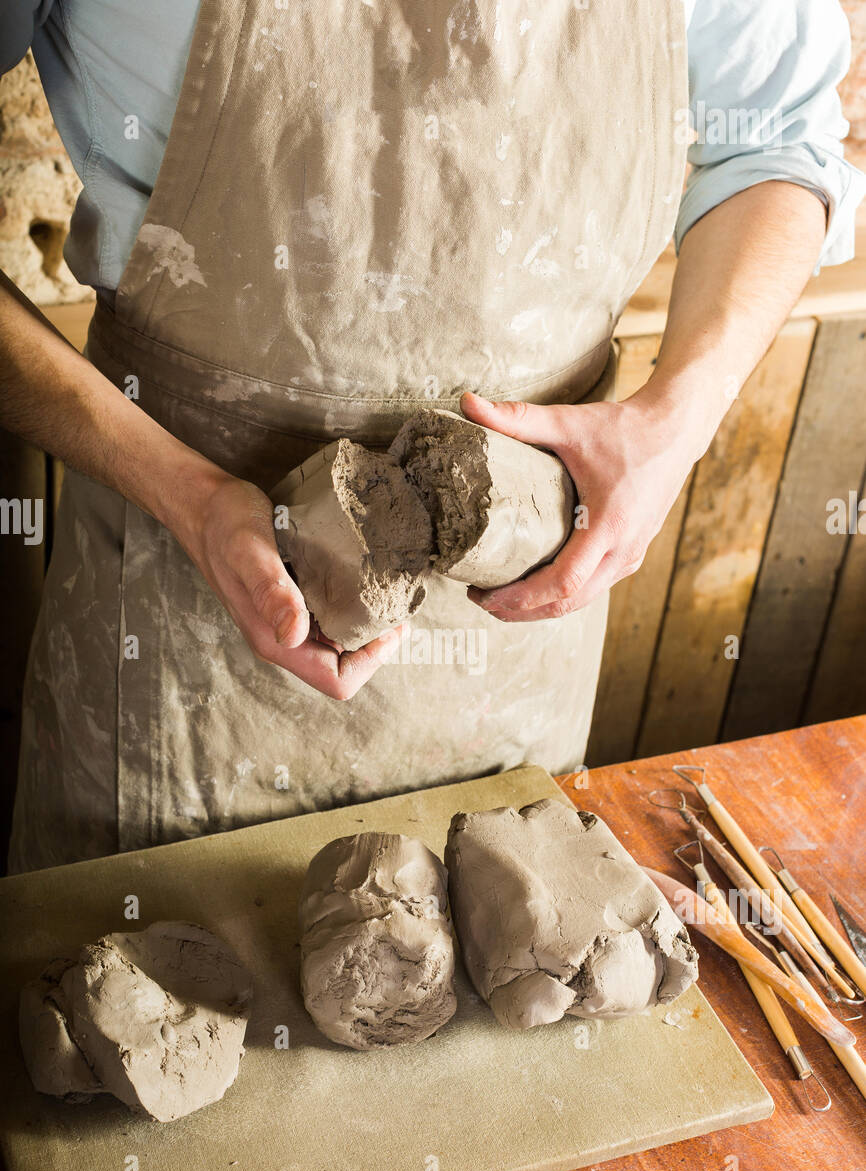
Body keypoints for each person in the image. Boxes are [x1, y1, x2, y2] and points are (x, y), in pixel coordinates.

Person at [1, 0, 863, 873]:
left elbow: (777, 144)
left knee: (517, 963)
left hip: (518, 630)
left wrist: (677, 418)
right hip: (182, 617)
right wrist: (184, 493)